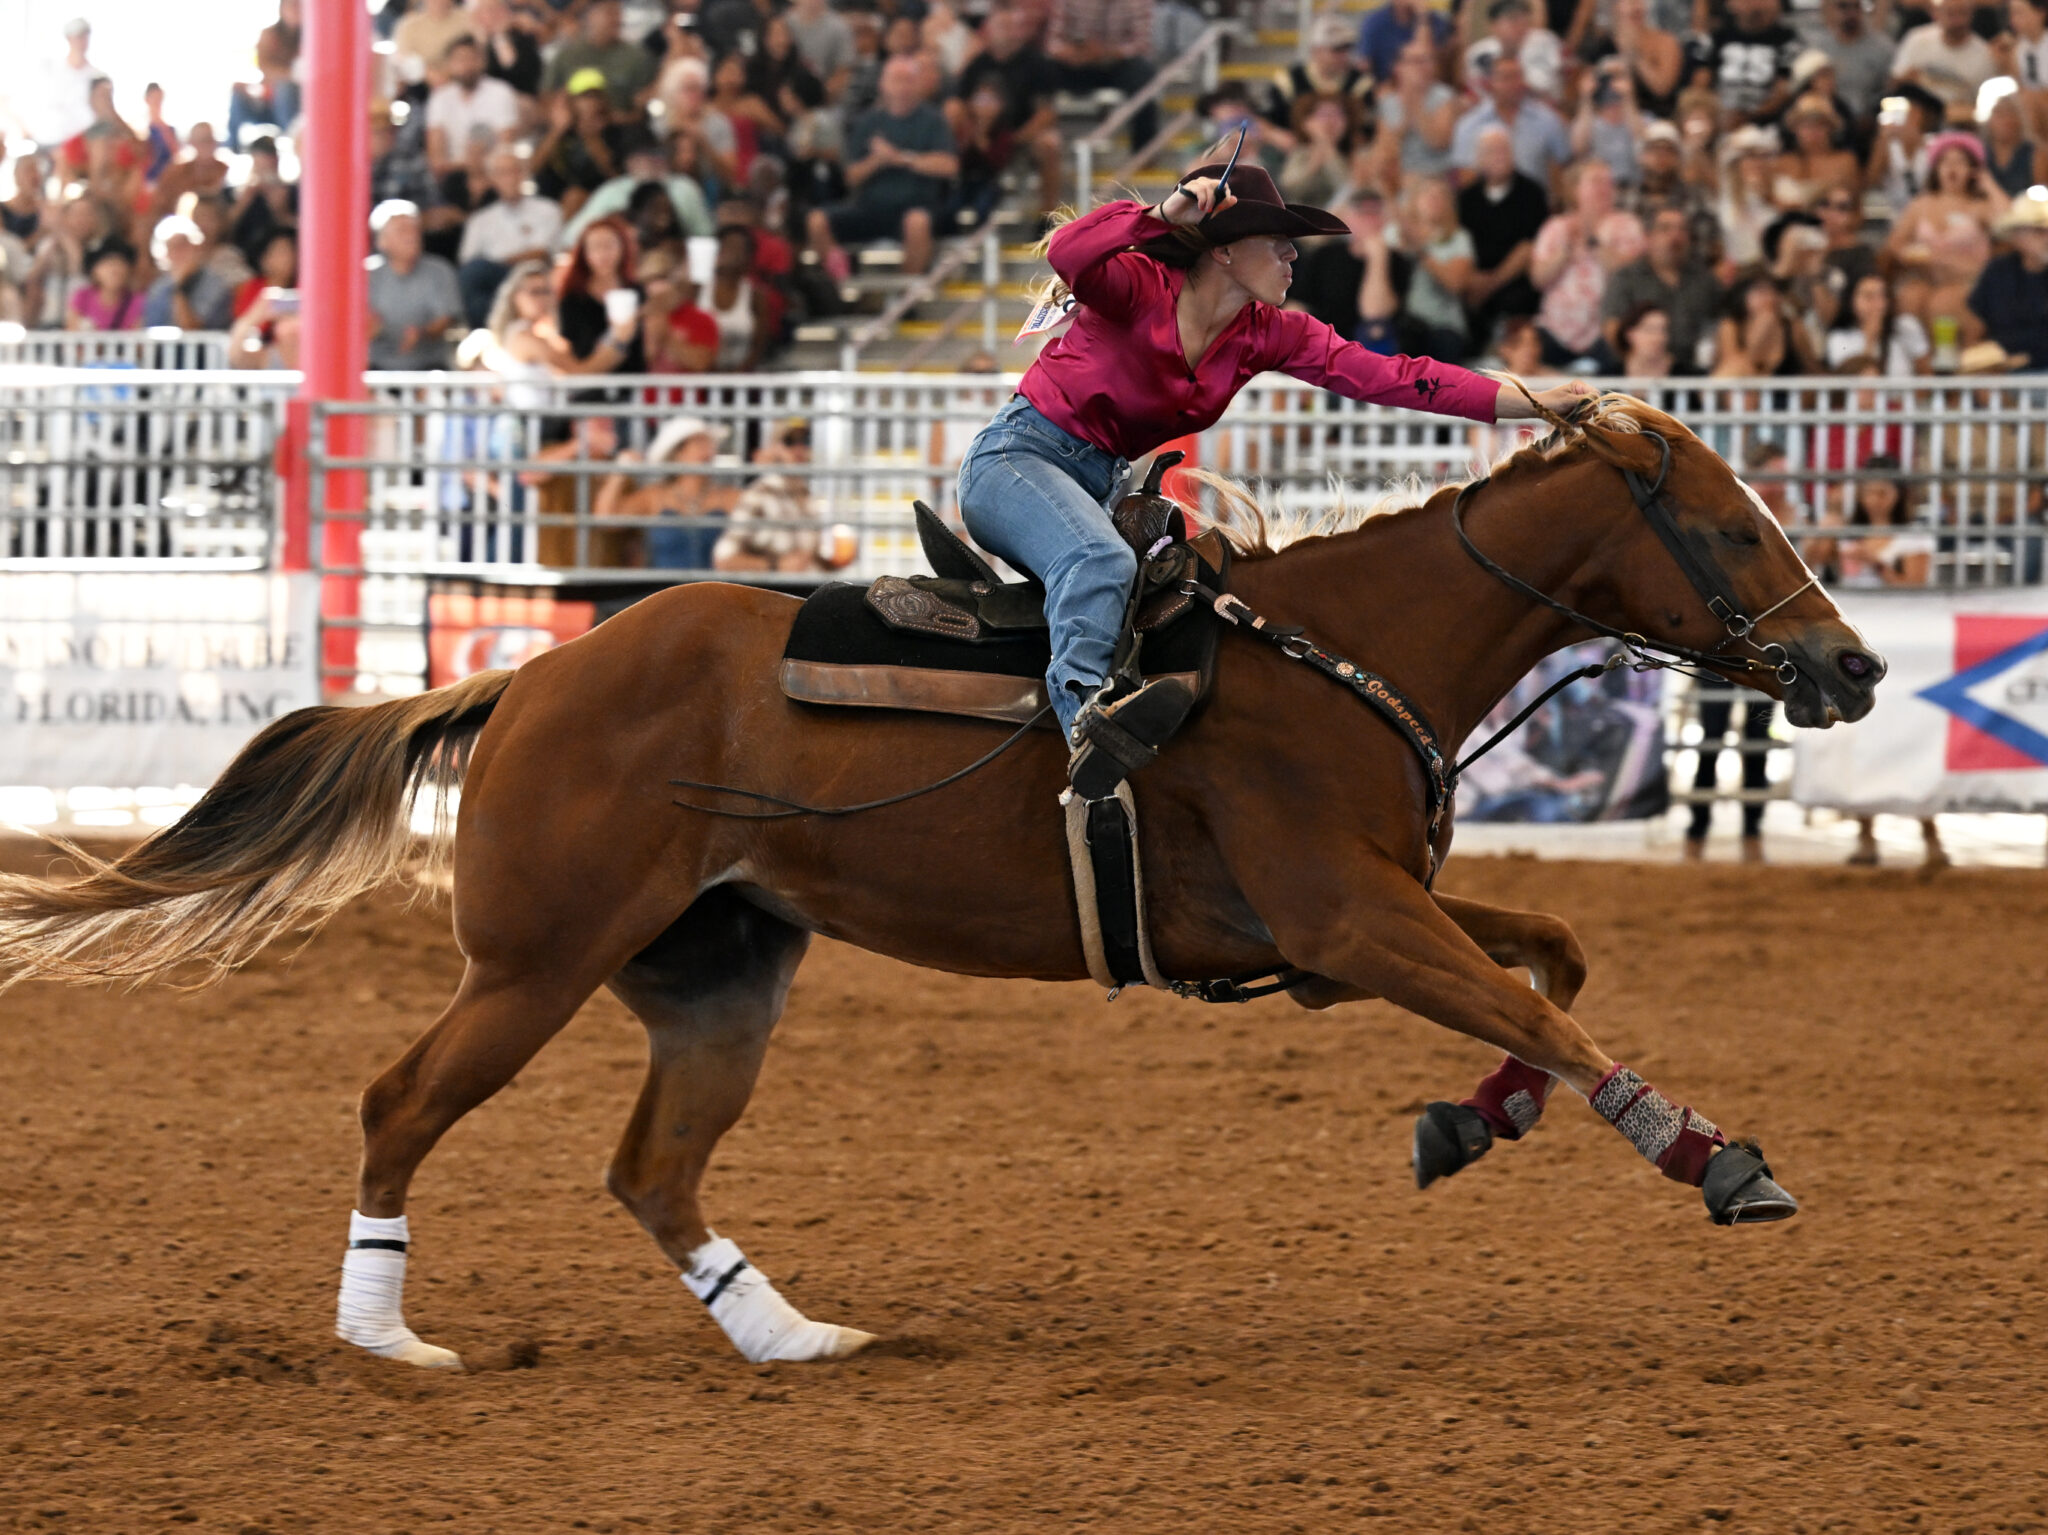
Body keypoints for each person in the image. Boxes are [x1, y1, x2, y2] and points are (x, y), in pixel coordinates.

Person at [955, 162, 1594, 799]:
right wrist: (1158, 217)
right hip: (1018, 460)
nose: (1293, 255)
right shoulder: (1138, 286)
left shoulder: (1268, 334)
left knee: (1188, 593)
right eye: (1277, 241)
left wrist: (1529, 401)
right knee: (1098, 560)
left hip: (1099, 483)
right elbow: (1070, 251)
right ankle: (1086, 738)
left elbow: (1392, 376)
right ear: (1225, 250)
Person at [805, 56, 958, 279]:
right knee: (816, 221)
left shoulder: (933, 121)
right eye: (897, 80)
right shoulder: (867, 122)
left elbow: (949, 166)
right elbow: (850, 177)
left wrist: (902, 158)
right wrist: (877, 160)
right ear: (883, 85)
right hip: (870, 208)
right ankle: (841, 285)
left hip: (915, 206)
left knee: (917, 222)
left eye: (908, 80)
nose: (903, 87)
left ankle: (906, 296)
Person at [1883, 130, 2002, 326]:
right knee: (1910, 297)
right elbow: (1895, 242)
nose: (1952, 168)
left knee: (1943, 303)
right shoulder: (1920, 204)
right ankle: (1920, 355)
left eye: (1960, 162)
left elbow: (2008, 221)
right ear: (1936, 168)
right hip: (1928, 279)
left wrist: (1988, 183)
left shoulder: (1979, 206)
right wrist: (1909, 254)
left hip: (1968, 281)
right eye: (1945, 162)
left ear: (1972, 170)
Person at [1530, 158, 1641, 364]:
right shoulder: (1556, 226)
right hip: (1555, 329)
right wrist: (1565, 251)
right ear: (1575, 189)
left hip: (1606, 330)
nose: (1604, 188)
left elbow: (1631, 275)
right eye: (1596, 181)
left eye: (1608, 182)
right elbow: (1537, 278)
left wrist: (1594, 242)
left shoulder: (1627, 225)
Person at [1458, 123, 1549, 339]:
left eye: (1504, 150)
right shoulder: (1466, 198)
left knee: (1516, 300)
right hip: (1475, 278)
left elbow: (1529, 247)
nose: (1499, 156)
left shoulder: (1531, 193)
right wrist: (1472, 279)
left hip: (1515, 278)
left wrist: (1492, 283)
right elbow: (1458, 242)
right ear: (1479, 158)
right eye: (1492, 151)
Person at [1602, 202, 1721, 366]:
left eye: (1682, 229)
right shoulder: (1626, 278)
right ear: (1648, 237)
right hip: (1642, 372)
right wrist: (1637, 360)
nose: (1676, 236)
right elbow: (1612, 328)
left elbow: (1723, 324)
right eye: (1665, 229)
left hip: (1693, 371)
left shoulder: (1705, 279)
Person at [458, 148, 563, 326]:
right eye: (501, 172)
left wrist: (495, 263)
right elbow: (467, 264)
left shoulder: (548, 210)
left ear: (524, 173)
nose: (509, 177)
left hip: (534, 276)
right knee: (476, 287)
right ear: (492, 179)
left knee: (481, 272)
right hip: (495, 285)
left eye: (514, 170)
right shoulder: (480, 220)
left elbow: (540, 254)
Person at [1043, 0, 1158, 153]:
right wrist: (1073, 53)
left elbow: (1142, 44)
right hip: (1077, 64)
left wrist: (1105, 52)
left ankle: (1144, 151)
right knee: (1041, 71)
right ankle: (1039, 142)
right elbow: (1052, 43)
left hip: (1119, 65)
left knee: (1144, 74)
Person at [1452, 57, 1572, 195]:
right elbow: (1465, 178)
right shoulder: (1469, 125)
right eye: (1506, 78)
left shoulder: (1548, 120)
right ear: (1491, 83)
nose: (1513, 84)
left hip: (1536, 206)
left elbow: (1564, 164)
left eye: (1518, 76)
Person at [367, 201, 463, 369]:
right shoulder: (366, 274)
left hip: (429, 368)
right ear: (382, 240)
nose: (411, 236)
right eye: (402, 230)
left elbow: (446, 319)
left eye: (415, 229)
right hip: (377, 368)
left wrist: (422, 333)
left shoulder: (439, 271)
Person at [1965, 191, 2048, 367]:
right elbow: (1974, 328)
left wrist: (2027, 359)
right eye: (2040, 230)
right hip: (2003, 375)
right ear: (2017, 234)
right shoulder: (1998, 272)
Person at [556, 214, 647, 372]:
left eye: (609, 246)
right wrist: (617, 340)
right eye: (596, 247)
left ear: (623, 248)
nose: (603, 254)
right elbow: (567, 354)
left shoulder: (639, 292)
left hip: (632, 386)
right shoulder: (572, 298)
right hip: (590, 387)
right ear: (584, 253)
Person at [425, 36, 524, 176]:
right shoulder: (440, 98)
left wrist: (475, 166)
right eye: (460, 60)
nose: (467, 65)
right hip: (452, 176)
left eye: (472, 58)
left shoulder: (501, 92)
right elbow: (436, 155)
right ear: (450, 64)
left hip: (493, 174)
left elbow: (505, 146)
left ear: (483, 62)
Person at [1372, 36, 1459, 192]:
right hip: (1400, 176)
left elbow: (1440, 141)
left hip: (1436, 175)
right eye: (1415, 61)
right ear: (1398, 66)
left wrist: (1416, 102)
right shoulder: (1388, 102)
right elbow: (1386, 147)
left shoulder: (1444, 96)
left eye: (1427, 60)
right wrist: (1405, 115)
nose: (1422, 66)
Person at [1694, 0, 1802, 125]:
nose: (1752, 3)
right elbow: (1700, 85)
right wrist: (1716, 114)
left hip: (1767, 123)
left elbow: (1783, 90)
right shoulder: (1716, 37)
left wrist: (1750, 116)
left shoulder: (1787, 40)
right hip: (1718, 118)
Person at [541, 0, 655, 114]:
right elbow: (547, 96)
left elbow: (643, 104)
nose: (617, 19)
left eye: (618, 12)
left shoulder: (637, 57)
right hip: (575, 125)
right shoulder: (567, 56)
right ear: (590, 16)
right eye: (609, 12)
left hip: (621, 125)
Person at [1891, 0, 1997, 118]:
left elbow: (1985, 108)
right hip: (1917, 116)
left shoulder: (1984, 55)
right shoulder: (1917, 40)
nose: (1956, 20)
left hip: (1959, 123)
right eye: (1950, 13)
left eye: (1961, 13)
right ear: (1937, 13)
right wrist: (1905, 80)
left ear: (1971, 14)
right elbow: (1894, 84)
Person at [1826, 269, 1930, 373]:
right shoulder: (1839, 339)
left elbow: (1925, 374)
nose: (1879, 304)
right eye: (1869, 296)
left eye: (1882, 295)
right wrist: (1870, 341)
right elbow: (1858, 382)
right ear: (1851, 301)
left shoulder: (1906, 326)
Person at [143, 216, 236, 331]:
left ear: (196, 248)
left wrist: (179, 288)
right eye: (172, 247)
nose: (178, 252)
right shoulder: (159, 287)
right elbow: (149, 326)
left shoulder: (215, 284)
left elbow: (190, 328)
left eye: (183, 245)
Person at [1466, 0, 1565, 102]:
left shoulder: (1546, 41)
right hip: (1493, 109)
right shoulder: (1479, 52)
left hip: (1541, 105)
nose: (1520, 24)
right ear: (1493, 25)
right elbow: (1476, 91)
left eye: (1524, 18)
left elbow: (1551, 85)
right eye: (1512, 19)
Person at [1815, 0, 1894, 123]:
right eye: (1843, 6)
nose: (1851, 13)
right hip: (1830, 118)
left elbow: (1891, 88)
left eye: (1856, 7)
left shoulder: (1883, 48)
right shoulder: (1820, 49)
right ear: (1830, 10)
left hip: (1872, 118)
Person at [1357, 0, 1453, 81]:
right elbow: (1364, 64)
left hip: (1426, 83)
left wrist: (1422, 18)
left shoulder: (1435, 21)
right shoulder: (1374, 22)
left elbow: (1425, 58)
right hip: (1385, 84)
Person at [66, 238, 146, 330]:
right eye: (107, 264)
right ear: (94, 271)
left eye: (120, 263)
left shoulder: (138, 302)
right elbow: (71, 331)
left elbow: (137, 339)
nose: (114, 270)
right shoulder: (82, 297)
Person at [1614, 299, 1674, 373]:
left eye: (1663, 330)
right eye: (1649, 330)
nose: (1658, 337)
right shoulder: (1608, 375)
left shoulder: (1685, 373)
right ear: (1629, 334)